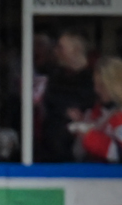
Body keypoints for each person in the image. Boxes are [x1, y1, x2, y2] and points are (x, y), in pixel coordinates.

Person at [37, 31, 95, 162]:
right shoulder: (55, 75)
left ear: (76, 49)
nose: (55, 51)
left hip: (76, 151)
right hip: (49, 147)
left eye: (61, 47)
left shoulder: (91, 80)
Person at [71, 57, 122, 164]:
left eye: (101, 85)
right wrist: (80, 127)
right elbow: (78, 154)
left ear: (116, 86)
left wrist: (90, 136)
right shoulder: (95, 113)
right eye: (95, 84)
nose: (96, 89)